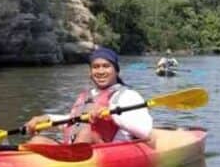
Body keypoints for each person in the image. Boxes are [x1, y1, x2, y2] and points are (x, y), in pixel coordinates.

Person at [25, 47, 153, 147]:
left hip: (109, 150)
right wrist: (47, 118)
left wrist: (111, 114)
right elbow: (75, 122)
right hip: (75, 149)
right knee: (37, 141)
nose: (101, 71)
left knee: (87, 133)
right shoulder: (88, 95)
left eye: (106, 66)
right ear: (90, 73)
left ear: (117, 71)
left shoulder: (128, 95)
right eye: (96, 67)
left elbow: (145, 131)